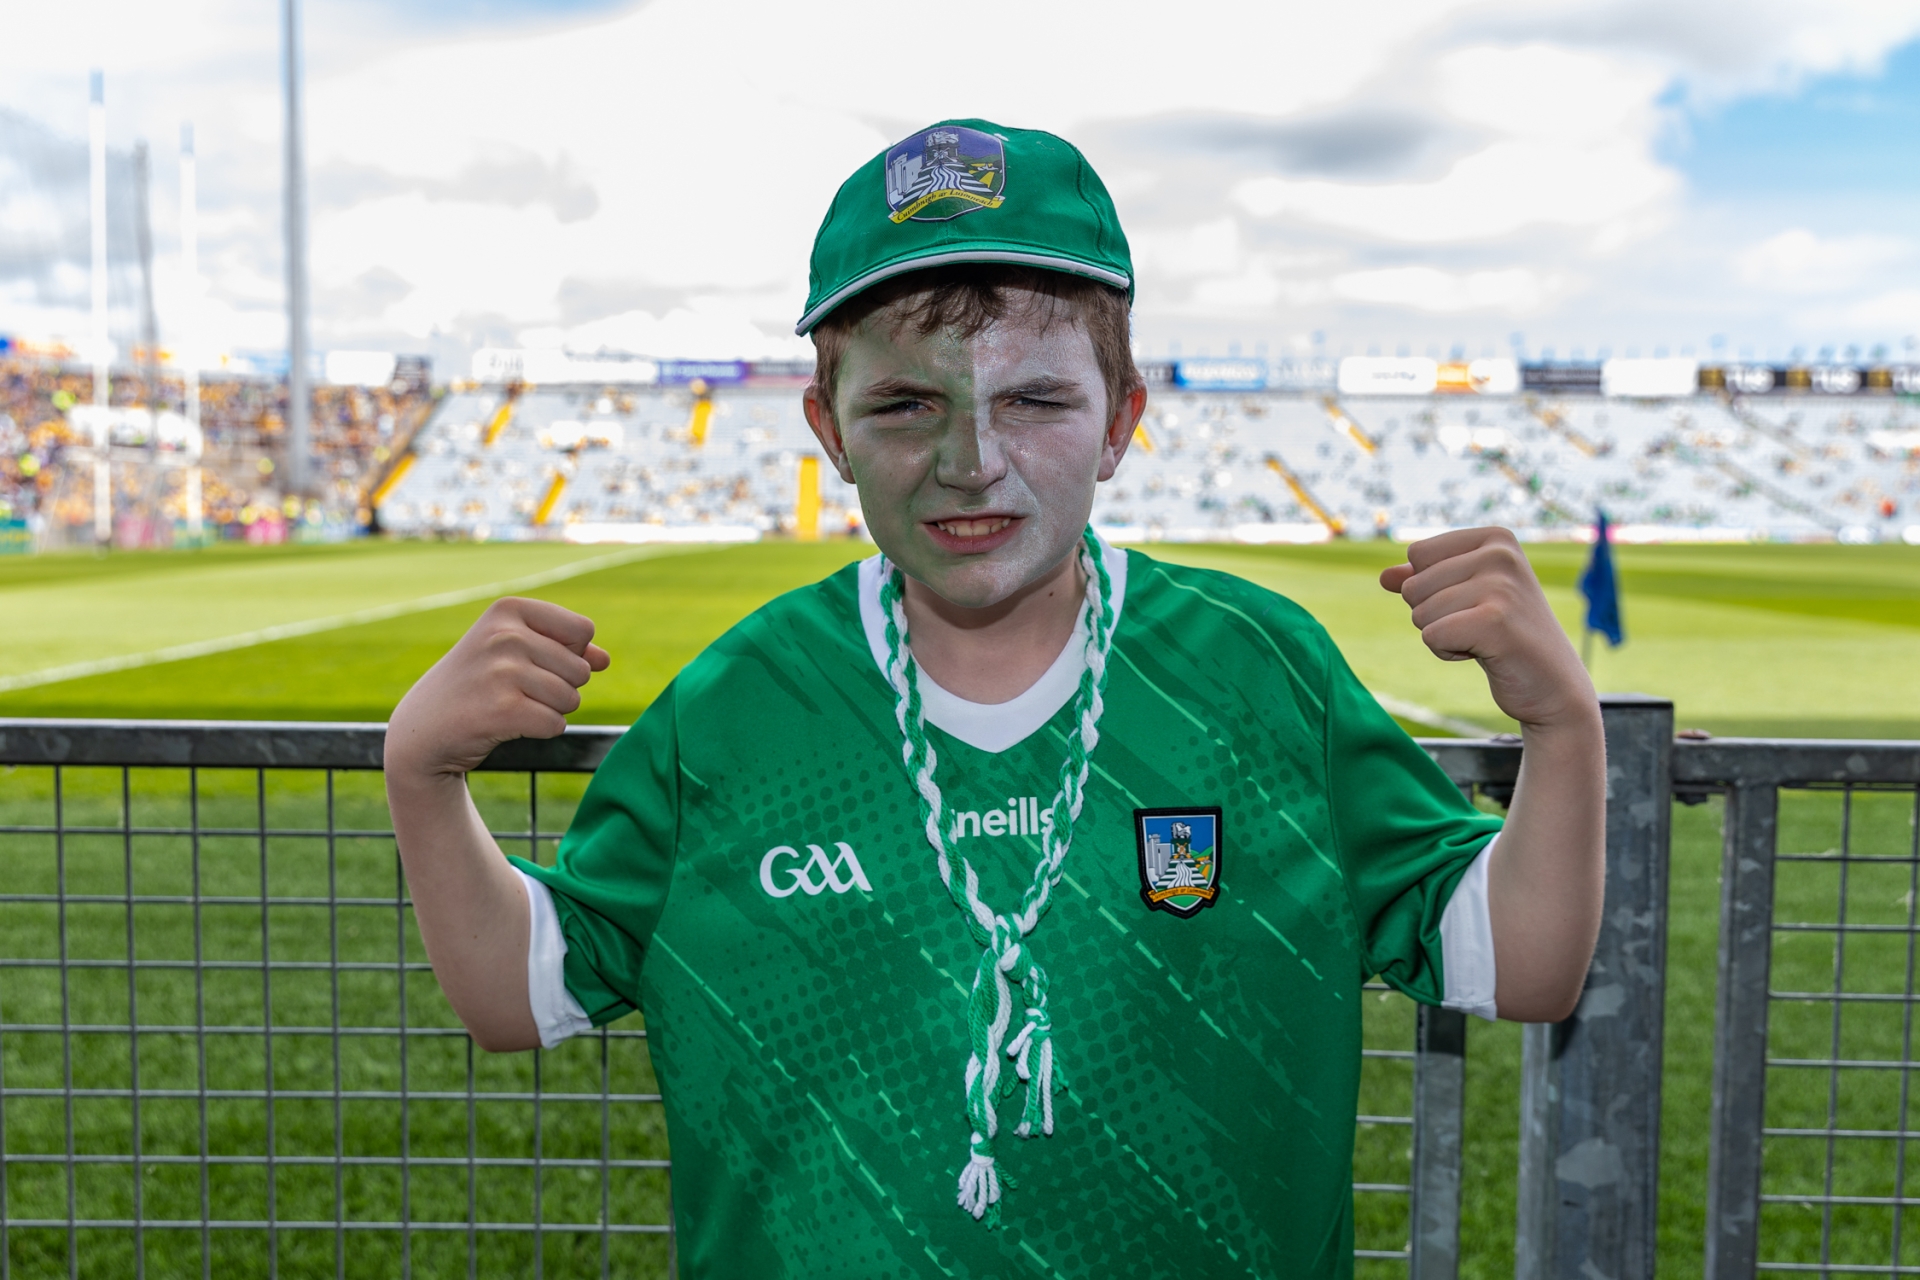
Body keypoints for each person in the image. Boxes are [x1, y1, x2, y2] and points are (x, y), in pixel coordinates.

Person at [385, 118, 1605, 1278]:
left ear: (1123, 419)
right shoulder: (739, 703)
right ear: (829, 428)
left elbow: (1521, 963)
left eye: (1035, 399)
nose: (972, 460)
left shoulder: (1258, 669)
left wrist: (1562, 723)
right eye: (908, 404)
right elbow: (523, 990)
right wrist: (421, 773)